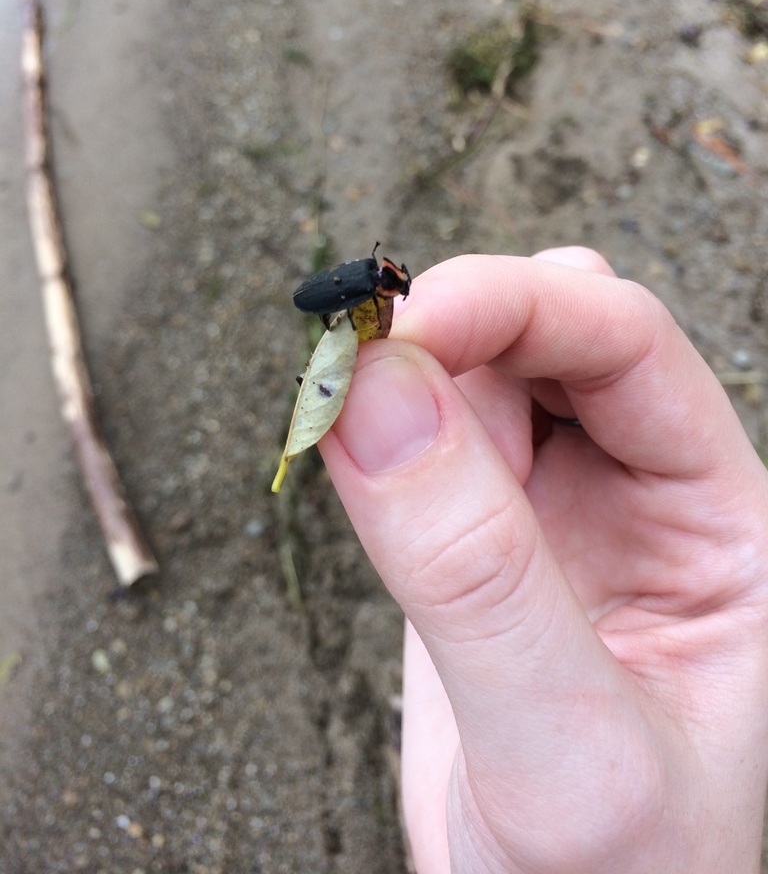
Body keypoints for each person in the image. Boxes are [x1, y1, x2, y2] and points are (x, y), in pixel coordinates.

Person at [318, 246, 768, 874]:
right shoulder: (371, 281)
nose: (394, 284)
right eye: (394, 281)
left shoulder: (373, 281)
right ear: (387, 281)